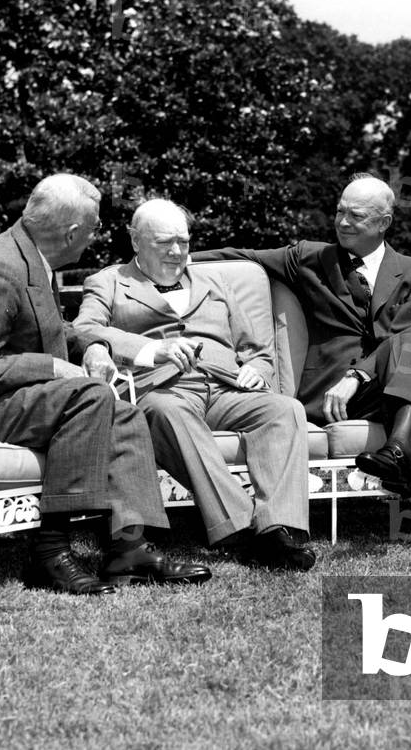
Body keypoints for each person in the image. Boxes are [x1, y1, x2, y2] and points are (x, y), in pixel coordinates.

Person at [0, 174, 212, 594]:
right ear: (72, 233)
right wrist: (53, 367)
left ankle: (129, 549)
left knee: (124, 411)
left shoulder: (33, 260)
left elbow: (54, 329)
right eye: (94, 228)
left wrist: (91, 347)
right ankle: (49, 552)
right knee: (89, 395)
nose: (95, 236)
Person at [194, 175, 411, 559]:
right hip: (330, 395)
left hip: (392, 383)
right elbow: (242, 256)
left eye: (356, 215)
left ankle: (397, 452)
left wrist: (358, 374)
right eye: (340, 211)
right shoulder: (309, 257)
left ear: (384, 222)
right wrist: (165, 258)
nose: (342, 222)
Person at [73, 199, 316, 571]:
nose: (177, 252)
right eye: (165, 243)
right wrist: (152, 349)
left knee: (285, 410)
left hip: (224, 386)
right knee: (168, 411)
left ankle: (277, 528)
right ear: (136, 241)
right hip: (160, 388)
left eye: (184, 242)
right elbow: (86, 328)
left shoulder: (214, 280)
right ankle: (245, 529)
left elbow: (255, 347)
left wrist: (256, 368)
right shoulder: (109, 281)